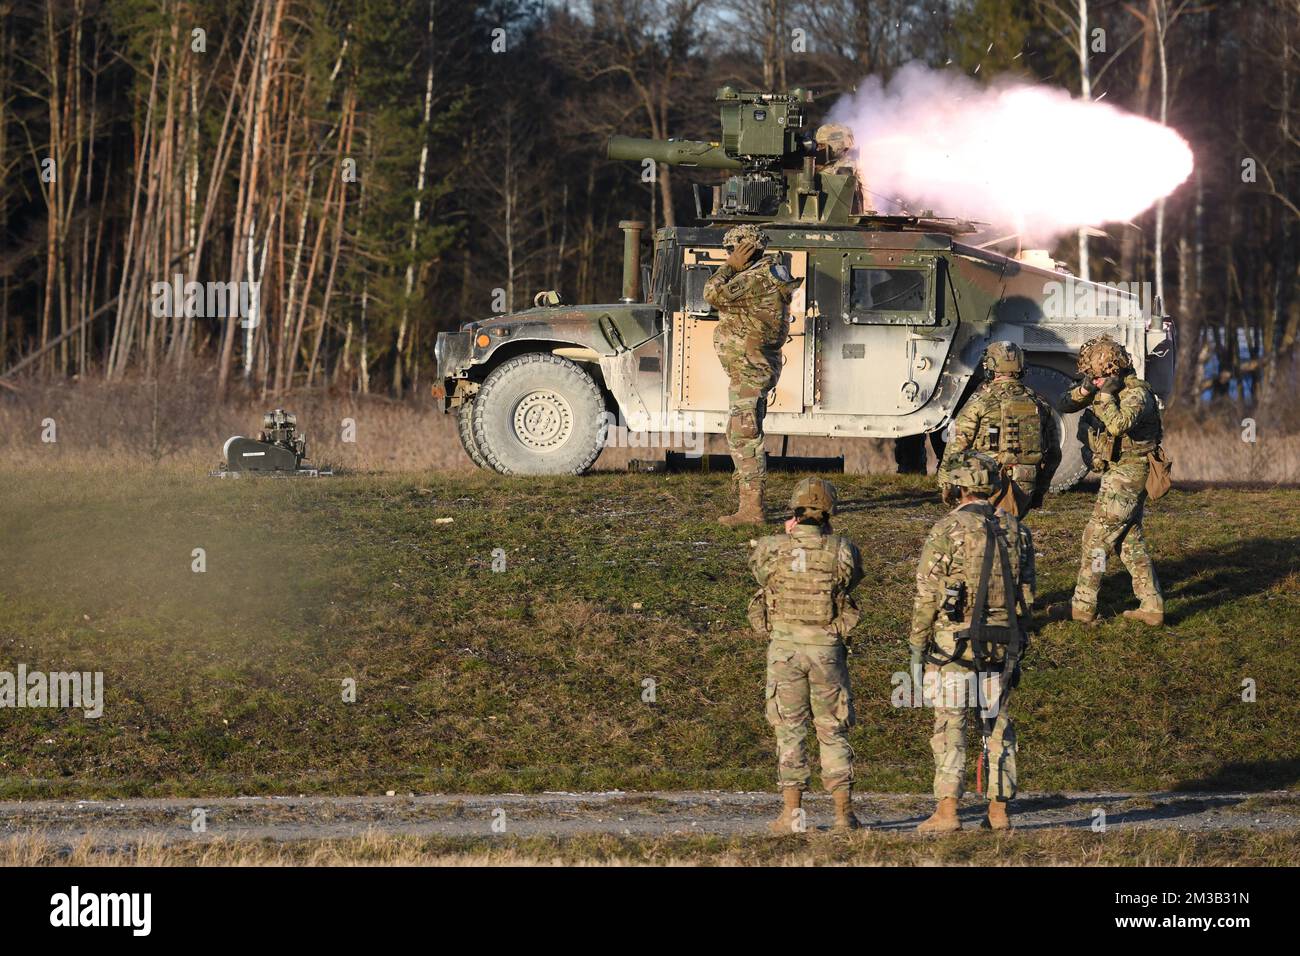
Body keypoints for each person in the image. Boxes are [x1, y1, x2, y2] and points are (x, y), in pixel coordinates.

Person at [910, 452, 1034, 833]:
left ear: (958, 486)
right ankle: (998, 813)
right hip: (1004, 640)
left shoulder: (947, 529)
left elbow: (927, 593)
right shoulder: (1016, 529)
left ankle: (947, 813)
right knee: (997, 726)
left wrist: (916, 646)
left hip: (955, 641)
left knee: (951, 725)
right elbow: (1027, 594)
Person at [748, 478, 863, 832]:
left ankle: (792, 816)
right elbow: (850, 581)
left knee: (790, 731)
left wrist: (788, 537)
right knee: (832, 730)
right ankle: (843, 815)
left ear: (795, 512)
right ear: (830, 513)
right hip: (826, 649)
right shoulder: (842, 548)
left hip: (785, 650)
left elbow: (760, 575)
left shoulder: (770, 547)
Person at [1048, 335, 1165, 626]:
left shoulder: (1137, 395)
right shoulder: (1102, 385)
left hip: (1129, 473)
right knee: (1129, 542)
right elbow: (1064, 403)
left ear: (1112, 372)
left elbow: (1117, 424)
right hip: (1118, 472)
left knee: (1095, 539)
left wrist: (1104, 395)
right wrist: (1086, 389)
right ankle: (1152, 606)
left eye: (1097, 377)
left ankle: (1083, 606)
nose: (1094, 382)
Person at [704, 224, 801, 525]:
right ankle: (748, 500)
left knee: (744, 436)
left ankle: (752, 509)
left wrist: (729, 268)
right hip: (752, 365)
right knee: (741, 431)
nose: (729, 255)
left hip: (749, 367)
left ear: (744, 250)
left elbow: (712, 293)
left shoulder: (755, 278)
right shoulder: (771, 273)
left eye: (732, 250)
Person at [940, 341, 1060, 516]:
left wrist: (947, 483)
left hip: (985, 485)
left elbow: (957, 446)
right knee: (1008, 535)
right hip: (1025, 485)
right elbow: (1054, 454)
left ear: (989, 366)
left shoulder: (980, 402)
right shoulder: (1039, 403)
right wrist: (1039, 490)